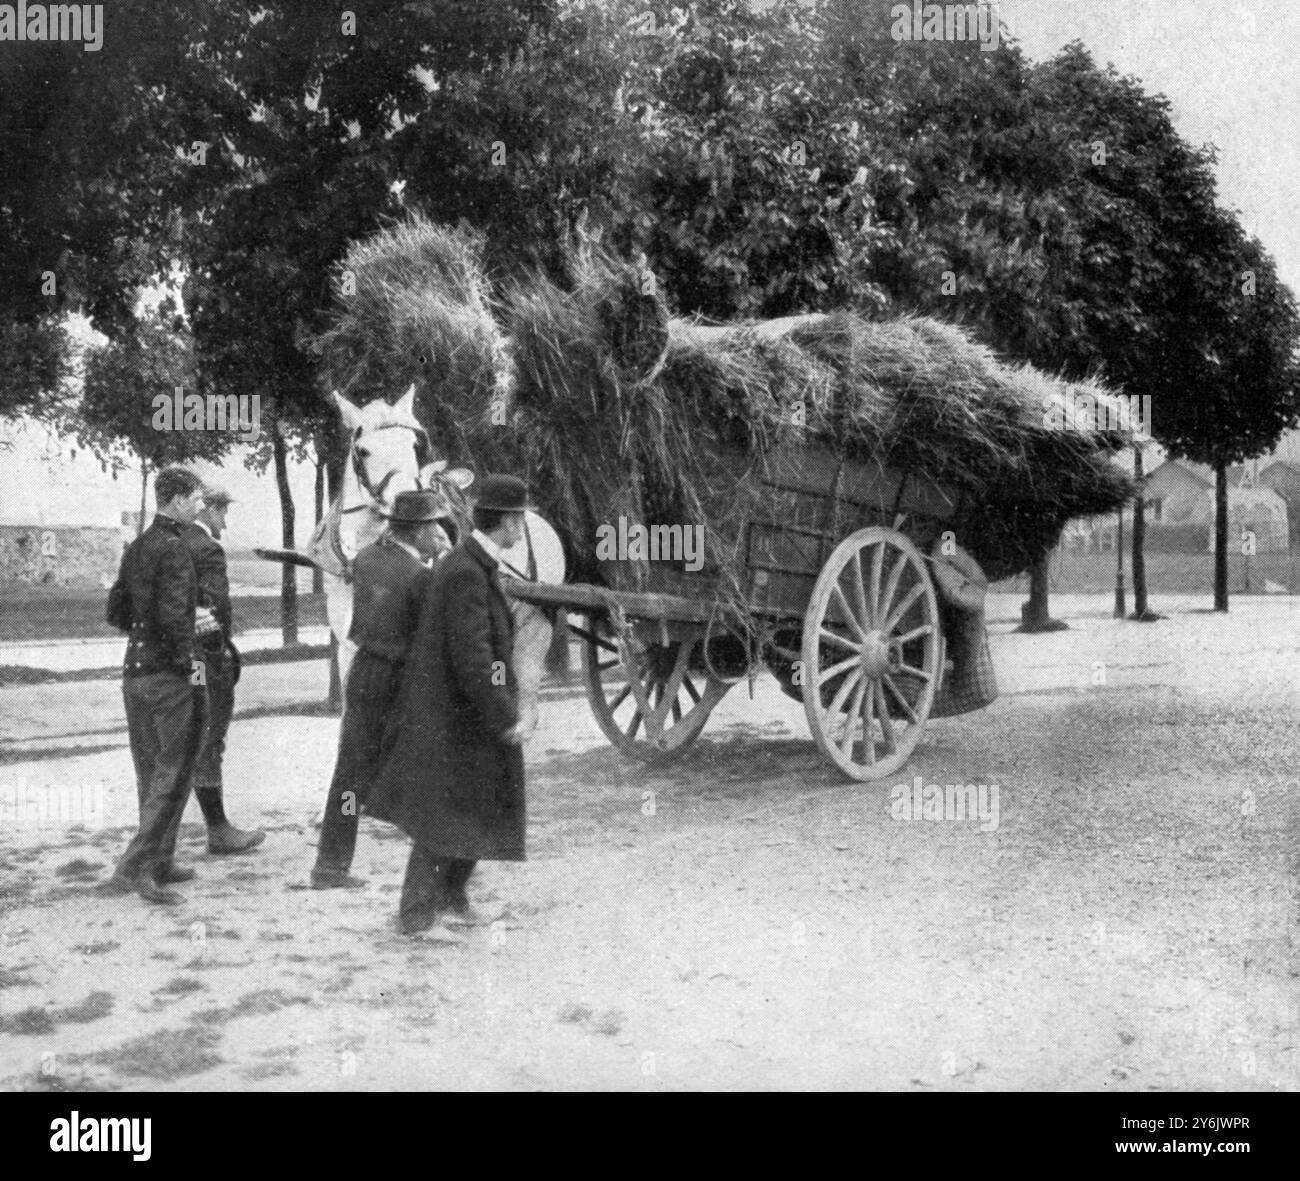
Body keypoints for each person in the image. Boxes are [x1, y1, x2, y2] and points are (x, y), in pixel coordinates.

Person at [367, 474, 531, 939]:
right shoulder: (465, 571)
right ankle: (416, 917)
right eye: (520, 518)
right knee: (443, 816)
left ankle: (453, 898)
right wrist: (505, 714)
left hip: (463, 713)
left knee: (475, 804)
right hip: (453, 716)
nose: (522, 527)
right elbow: (473, 659)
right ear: (509, 522)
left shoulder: (472, 564)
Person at [310, 489, 451, 889]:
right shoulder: (421, 577)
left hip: (363, 673)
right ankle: (438, 875)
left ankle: (329, 866)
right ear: (420, 531)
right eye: (435, 525)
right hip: (400, 682)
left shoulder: (367, 559)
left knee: (350, 773)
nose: (440, 532)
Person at [101, 466, 208, 905]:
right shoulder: (175, 549)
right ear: (179, 500)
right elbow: (173, 619)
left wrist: (150, 631)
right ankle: (137, 868)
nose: (201, 506)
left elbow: (116, 613)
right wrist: (192, 663)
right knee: (177, 769)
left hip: (135, 672)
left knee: (152, 772)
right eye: (198, 498)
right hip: (172, 676)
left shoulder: (139, 546)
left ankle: (160, 861)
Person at [183, 485, 265, 855]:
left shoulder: (169, 542)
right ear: (210, 510)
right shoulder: (207, 548)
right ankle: (218, 830)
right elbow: (214, 608)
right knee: (210, 734)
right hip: (205, 658)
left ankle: (162, 837)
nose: (225, 523)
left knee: (184, 737)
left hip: (178, 659)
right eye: (223, 513)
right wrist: (222, 654)